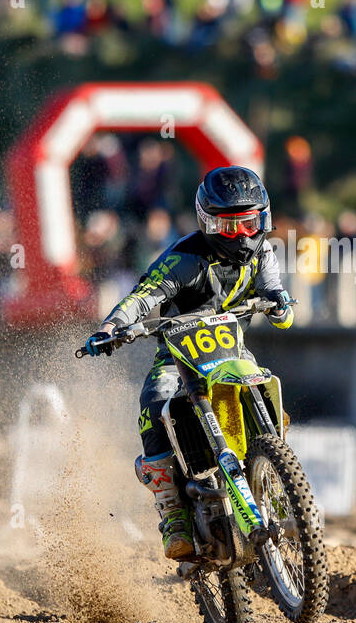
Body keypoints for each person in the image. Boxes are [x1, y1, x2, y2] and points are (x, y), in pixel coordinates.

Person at [83, 166, 294, 560]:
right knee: (154, 401)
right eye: (230, 227)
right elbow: (143, 295)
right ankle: (172, 510)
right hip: (179, 357)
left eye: (251, 223)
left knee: (269, 392)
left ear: (263, 219)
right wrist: (113, 326)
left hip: (232, 353)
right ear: (208, 223)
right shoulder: (184, 257)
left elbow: (277, 301)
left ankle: (280, 484)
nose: (243, 235)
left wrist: (279, 302)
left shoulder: (263, 252)